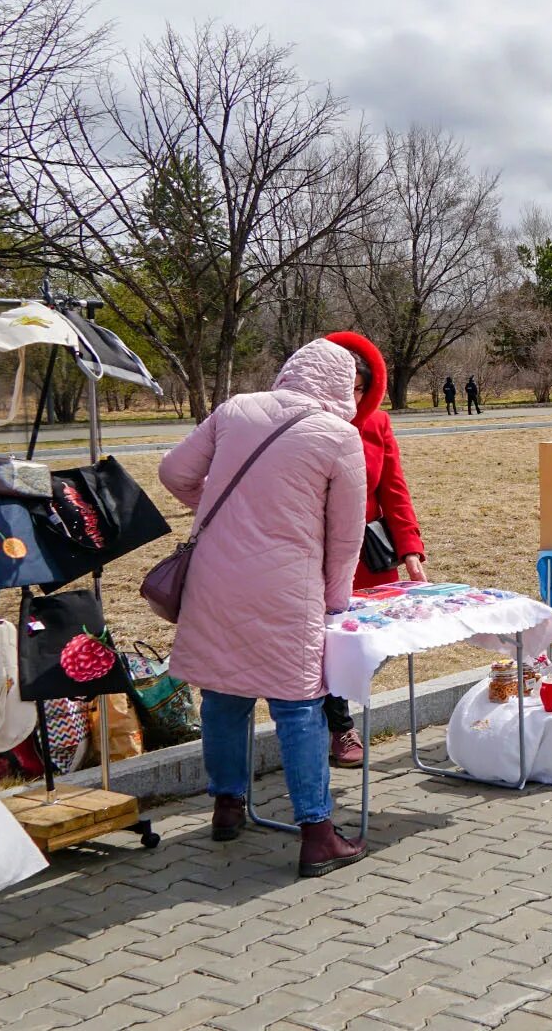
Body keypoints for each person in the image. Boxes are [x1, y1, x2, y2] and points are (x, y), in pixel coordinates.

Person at [157, 338, 369, 877]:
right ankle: (317, 833)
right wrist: (336, 601)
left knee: (223, 694)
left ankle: (227, 806)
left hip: (214, 577)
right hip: (287, 584)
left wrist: (223, 511)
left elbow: (174, 472)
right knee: (298, 704)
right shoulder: (339, 436)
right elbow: (346, 538)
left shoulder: (236, 409)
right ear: (341, 385)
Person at [318, 332, 427, 768]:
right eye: (342, 388)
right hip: (315, 554)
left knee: (372, 643)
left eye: (359, 389)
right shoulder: (304, 425)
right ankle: (338, 726)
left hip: (368, 558)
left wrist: (410, 549)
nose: (351, 399)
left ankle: (331, 707)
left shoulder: (378, 424)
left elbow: (394, 490)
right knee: (328, 642)